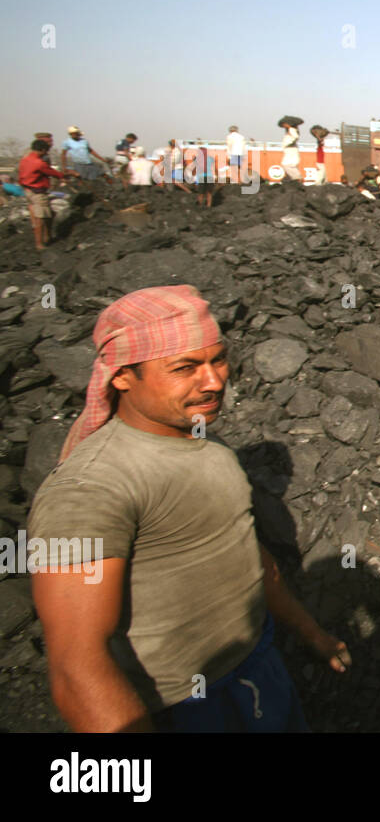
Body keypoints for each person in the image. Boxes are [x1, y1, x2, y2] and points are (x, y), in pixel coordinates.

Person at [27, 285, 350, 732]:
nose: (215, 381)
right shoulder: (89, 490)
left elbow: (247, 554)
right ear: (122, 376)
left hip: (259, 665)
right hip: (183, 706)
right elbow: (77, 666)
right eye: (185, 368)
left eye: (217, 359)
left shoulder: (204, 442)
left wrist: (310, 632)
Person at [19, 138, 74, 249]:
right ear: (43, 150)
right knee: (41, 218)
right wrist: (68, 175)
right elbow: (55, 173)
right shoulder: (39, 163)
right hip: (38, 192)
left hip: (28, 190)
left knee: (42, 216)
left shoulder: (24, 160)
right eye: (46, 150)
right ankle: (40, 244)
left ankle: (45, 238)